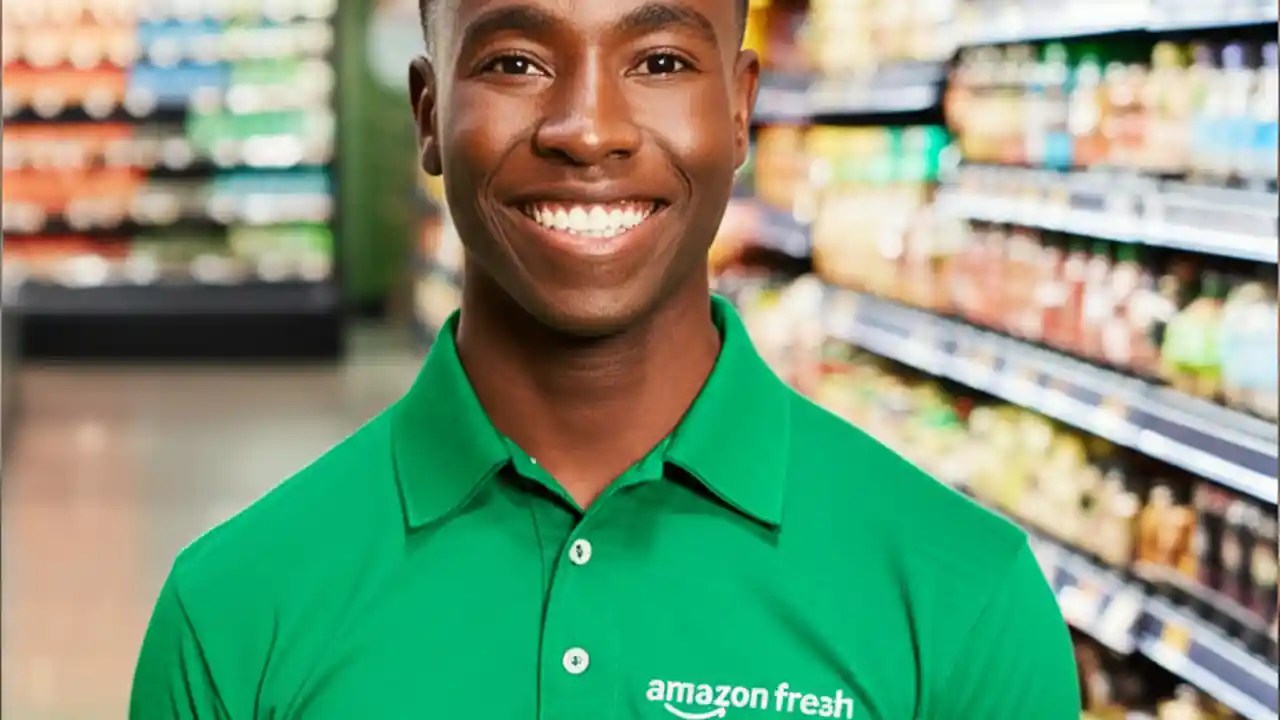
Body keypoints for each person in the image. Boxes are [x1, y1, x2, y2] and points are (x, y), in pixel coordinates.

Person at [130, 0, 1081, 717]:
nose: (588, 128)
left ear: (741, 108)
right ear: (428, 114)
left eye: (660, 61)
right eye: (515, 61)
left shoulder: (964, 599)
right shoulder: (232, 608)